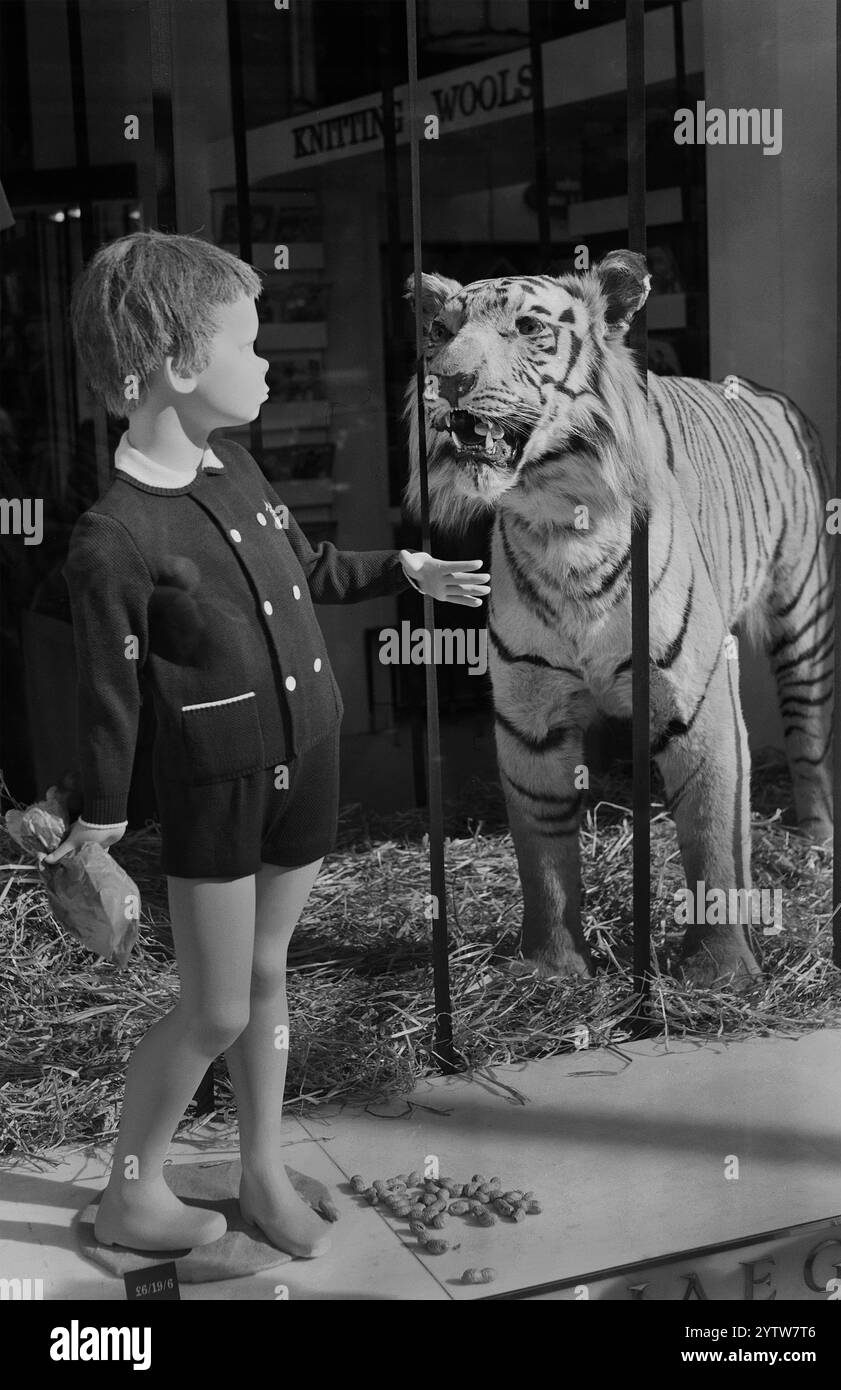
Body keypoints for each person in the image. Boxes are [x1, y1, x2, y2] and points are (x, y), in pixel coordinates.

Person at [45, 230, 489, 1259]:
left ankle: (258, 1164)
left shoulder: (237, 467)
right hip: (216, 791)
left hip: (308, 759)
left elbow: (312, 564)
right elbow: (106, 694)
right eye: (245, 347)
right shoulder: (113, 537)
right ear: (174, 363)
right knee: (207, 1008)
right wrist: (96, 826)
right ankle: (130, 1190)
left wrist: (405, 566)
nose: (264, 367)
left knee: (265, 974)